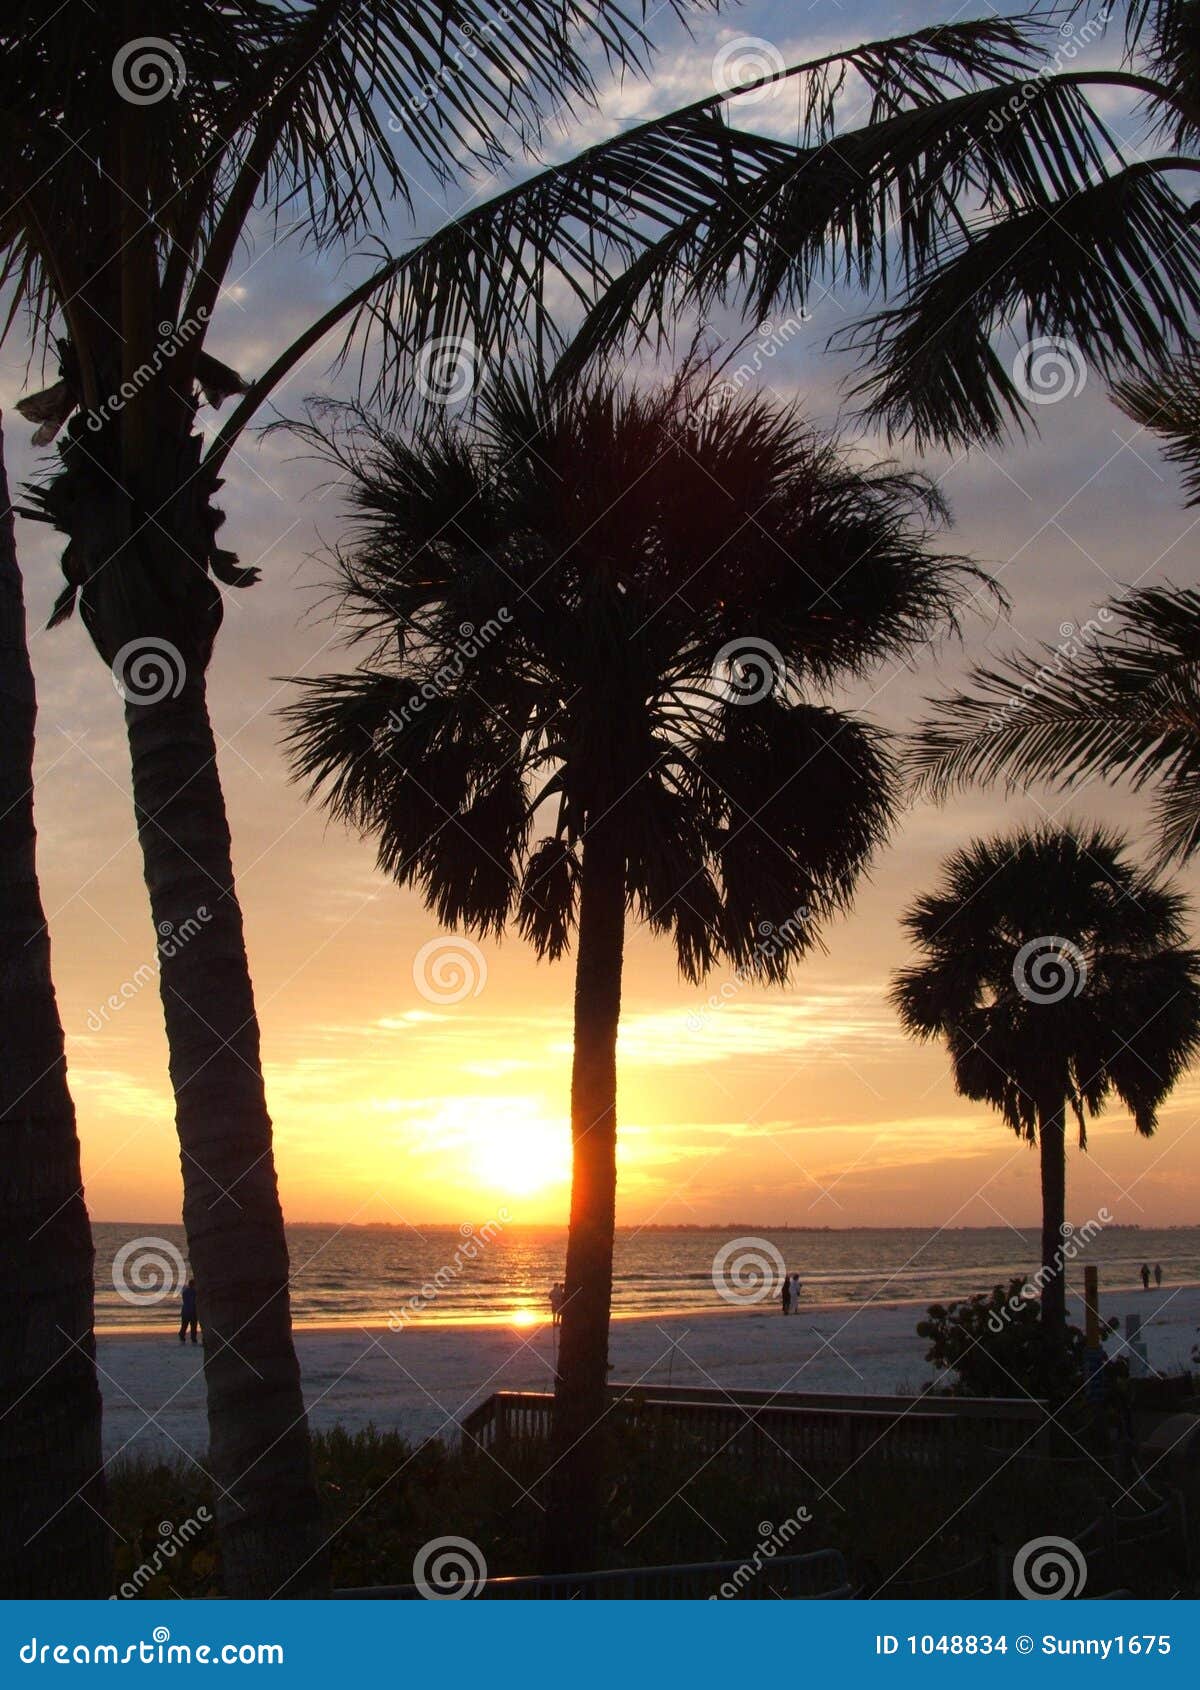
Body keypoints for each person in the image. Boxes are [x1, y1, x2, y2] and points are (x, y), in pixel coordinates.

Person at [179, 1277, 199, 1345]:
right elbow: (195, 1301)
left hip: (185, 1311)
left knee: (184, 1325)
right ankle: (193, 1339)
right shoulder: (195, 1292)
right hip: (192, 1311)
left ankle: (182, 1337)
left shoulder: (185, 1292)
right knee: (193, 1326)